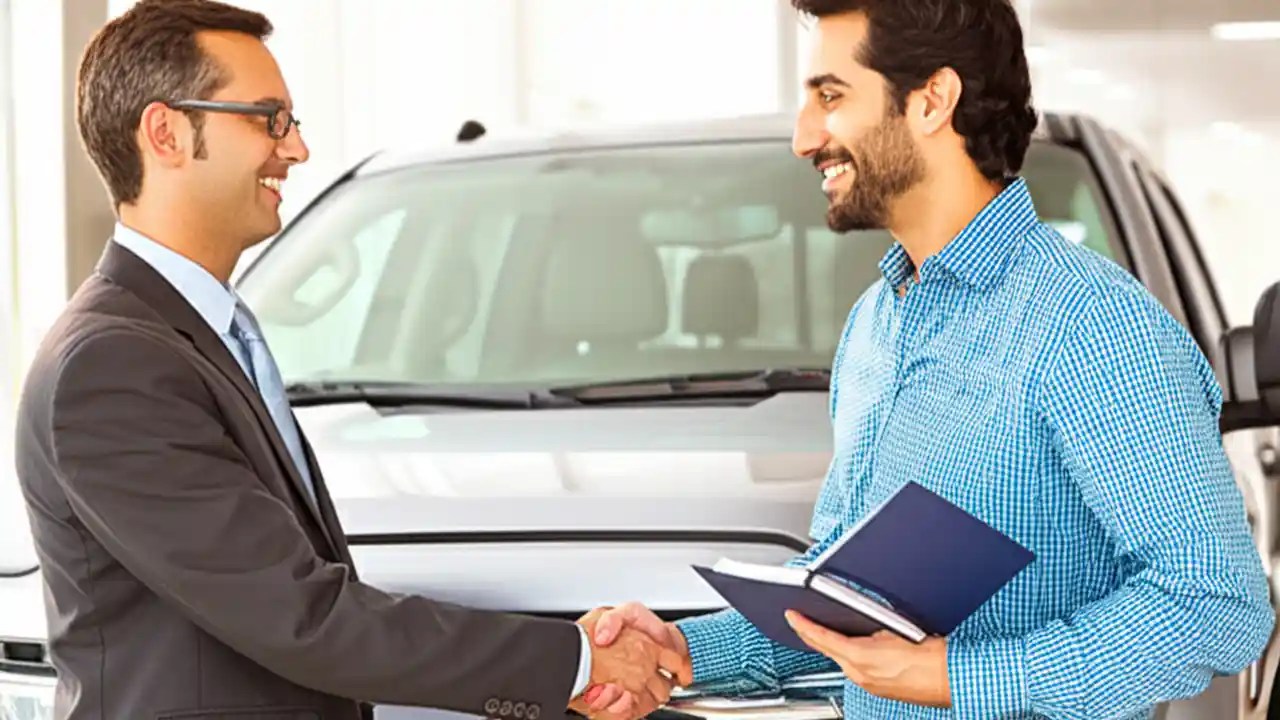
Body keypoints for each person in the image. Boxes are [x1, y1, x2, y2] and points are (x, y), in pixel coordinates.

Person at [586, 1, 1275, 718]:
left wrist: (959, 677)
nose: (803, 137)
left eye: (831, 97)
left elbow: (1217, 603)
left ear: (932, 100)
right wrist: (683, 650)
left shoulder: (1091, 326)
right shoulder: (874, 324)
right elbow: (848, 608)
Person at [12, 2, 688, 719]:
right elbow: (302, 617)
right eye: (270, 119)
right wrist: (574, 661)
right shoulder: (111, 368)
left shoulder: (191, 336)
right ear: (166, 133)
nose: (297, 148)